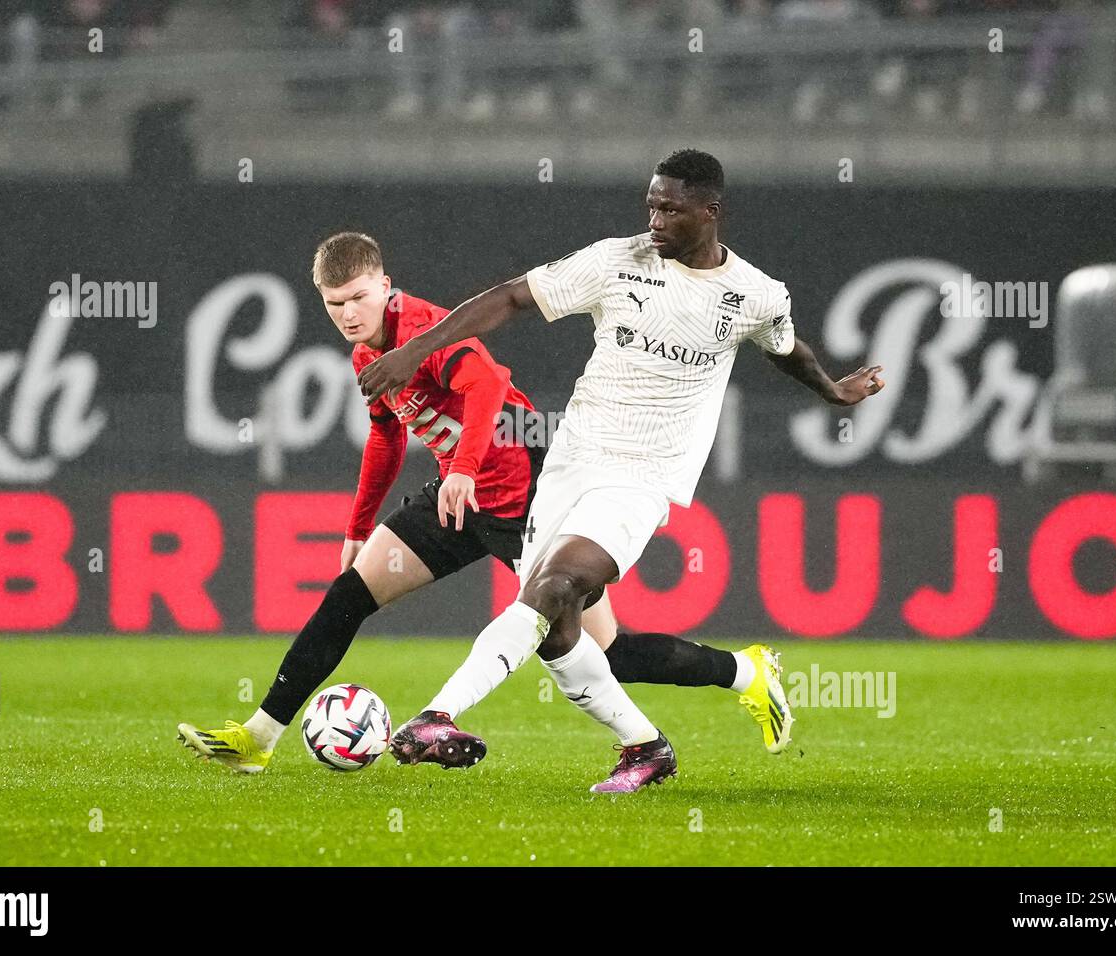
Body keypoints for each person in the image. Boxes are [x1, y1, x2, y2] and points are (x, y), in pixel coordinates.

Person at [359, 149, 886, 793]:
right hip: (572, 461)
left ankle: (435, 718)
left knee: (555, 587)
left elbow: (785, 348)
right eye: (651, 205)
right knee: (553, 627)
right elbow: (512, 298)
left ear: (710, 212)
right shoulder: (616, 261)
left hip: (645, 475)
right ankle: (648, 744)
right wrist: (416, 348)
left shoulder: (755, 294)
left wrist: (833, 389)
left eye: (671, 209)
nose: (655, 220)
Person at [177, 230, 796, 774]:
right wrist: (357, 529)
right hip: (458, 500)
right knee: (348, 596)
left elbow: (488, 384)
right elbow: (386, 435)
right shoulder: (368, 351)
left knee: (609, 653)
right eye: (334, 304)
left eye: (359, 297)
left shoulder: (424, 332)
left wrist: (465, 469)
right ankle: (258, 739)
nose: (348, 313)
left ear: (385, 286)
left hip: (526, 498)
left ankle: (745, 672)